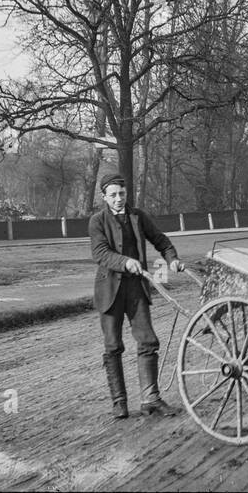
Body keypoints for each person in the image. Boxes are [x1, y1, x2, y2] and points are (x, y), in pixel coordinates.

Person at [89, 173, 185, 420]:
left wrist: (172, 260)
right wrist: (125, 262)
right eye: (113, 195)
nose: (119, 199)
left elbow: (161, 241)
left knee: (148, 341)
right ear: (104, 197)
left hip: (136, 291)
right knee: (113, 346)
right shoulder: (97, 221)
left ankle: (150, 399)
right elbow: (100, 253)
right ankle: (119, 403)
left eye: (122, 193)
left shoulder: (138, 216)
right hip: (110, 292)